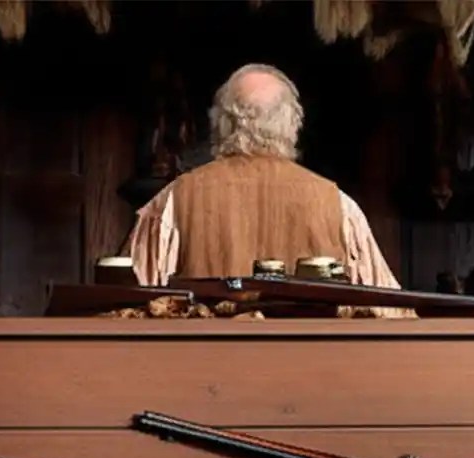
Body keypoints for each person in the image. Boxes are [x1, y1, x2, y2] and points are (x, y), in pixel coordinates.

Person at [126, 63, 402, 290]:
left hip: (205, 356)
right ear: (292, 123)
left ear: (221, 123)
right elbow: (388, 308)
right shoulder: (337, 205)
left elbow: (130, 303)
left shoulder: (176, 199)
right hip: (311, 357)